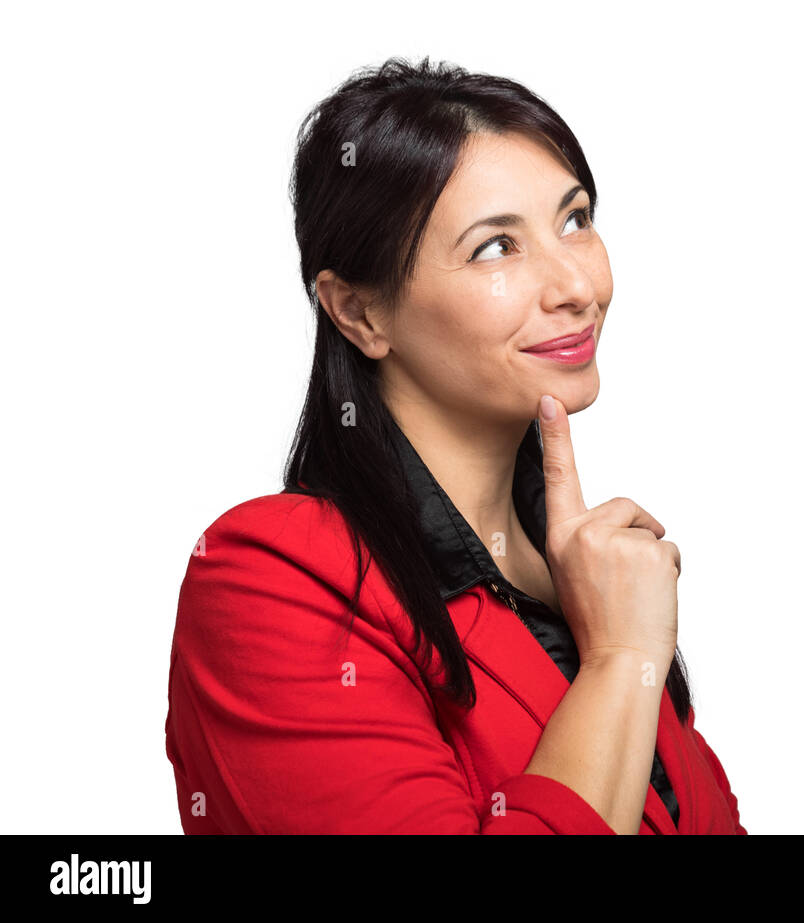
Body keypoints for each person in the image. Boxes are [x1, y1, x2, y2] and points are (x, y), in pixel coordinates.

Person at [163, 57, 746, 834]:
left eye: (575, 220)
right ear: (359, 313)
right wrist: (617, 660)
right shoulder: (272, 577)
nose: (576, 284)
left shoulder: (591, 574)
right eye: (495, 248)